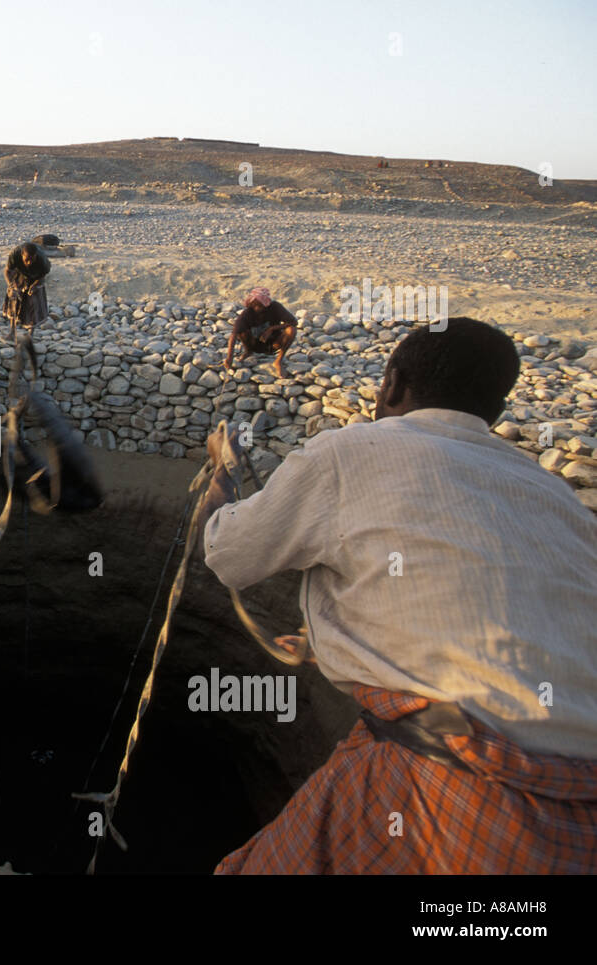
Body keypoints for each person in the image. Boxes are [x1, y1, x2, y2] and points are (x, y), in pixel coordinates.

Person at [198, 317, 597, 874]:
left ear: (390, 384)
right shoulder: (556, 497)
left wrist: (223, 484)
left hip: (459, 791)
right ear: (497, 413)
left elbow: (229, 555)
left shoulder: (348, 451)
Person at [225, 287, 296, 378]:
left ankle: (278, 361)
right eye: (255, 305)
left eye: (260, 306)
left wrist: (271, 329)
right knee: (240, 331)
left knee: (292, 330)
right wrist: (229, 357)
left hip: (273, 344)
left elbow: (293, 322)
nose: (257, 308)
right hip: (253, 345)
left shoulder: (275, 307)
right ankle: (248, 351)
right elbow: (234, 334)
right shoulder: (247, 313)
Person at [2, 242, 51, 336]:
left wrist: (34, 286)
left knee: (33, 302)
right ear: (22, 255)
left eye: (32, 259)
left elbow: (42, 277)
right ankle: (12, 332)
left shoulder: (43, 261)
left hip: (35, 276)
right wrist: (11, 285)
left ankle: (30, 335)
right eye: (27, 259)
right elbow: (7, 271)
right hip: (19, 273)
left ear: (35, 256)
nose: (29, 262)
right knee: (14, 298)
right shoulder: (15, 255)